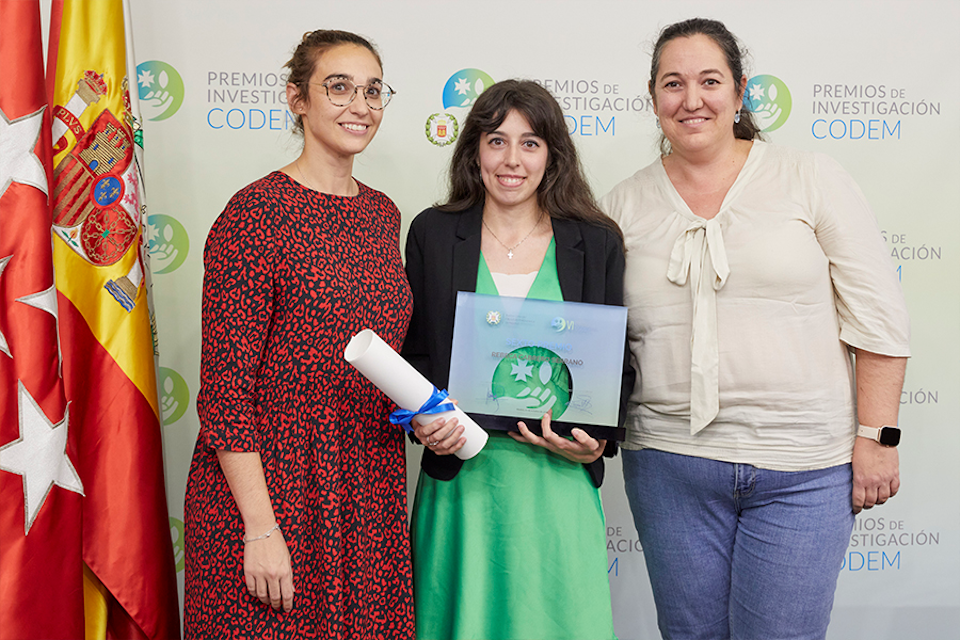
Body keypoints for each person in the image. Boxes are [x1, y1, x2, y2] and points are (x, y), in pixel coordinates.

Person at [600, 17, 910, 640]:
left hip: (803, 469)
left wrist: (878, 437)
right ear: (654, 98)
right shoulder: (621, 204)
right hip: (670, 465)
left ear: (740, 93)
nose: (692, 100)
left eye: (710, 81)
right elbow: (597, 336)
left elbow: (876, 317)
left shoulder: (810, 178)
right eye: (673, 84)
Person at [183, 30, 414, 639]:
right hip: (272, 490)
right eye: (338, 87)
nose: (359, 105)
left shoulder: (382, 214)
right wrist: (259, 528)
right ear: (297, 99)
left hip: (367, 491)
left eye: (372, 90)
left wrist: (422, 413)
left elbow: (375, 360)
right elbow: (225, 394)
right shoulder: (253, 213)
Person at [401, 79, 634, 640]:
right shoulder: (433, 233)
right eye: (496, 140)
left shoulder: (596, 240)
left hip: (557, 485)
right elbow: (416, 355)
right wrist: (421, 418)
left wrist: (597, 441)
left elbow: (616, 364)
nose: (512, 160)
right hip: (462, 484)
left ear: (552, 155)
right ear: (473, 150)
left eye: (530, 143)